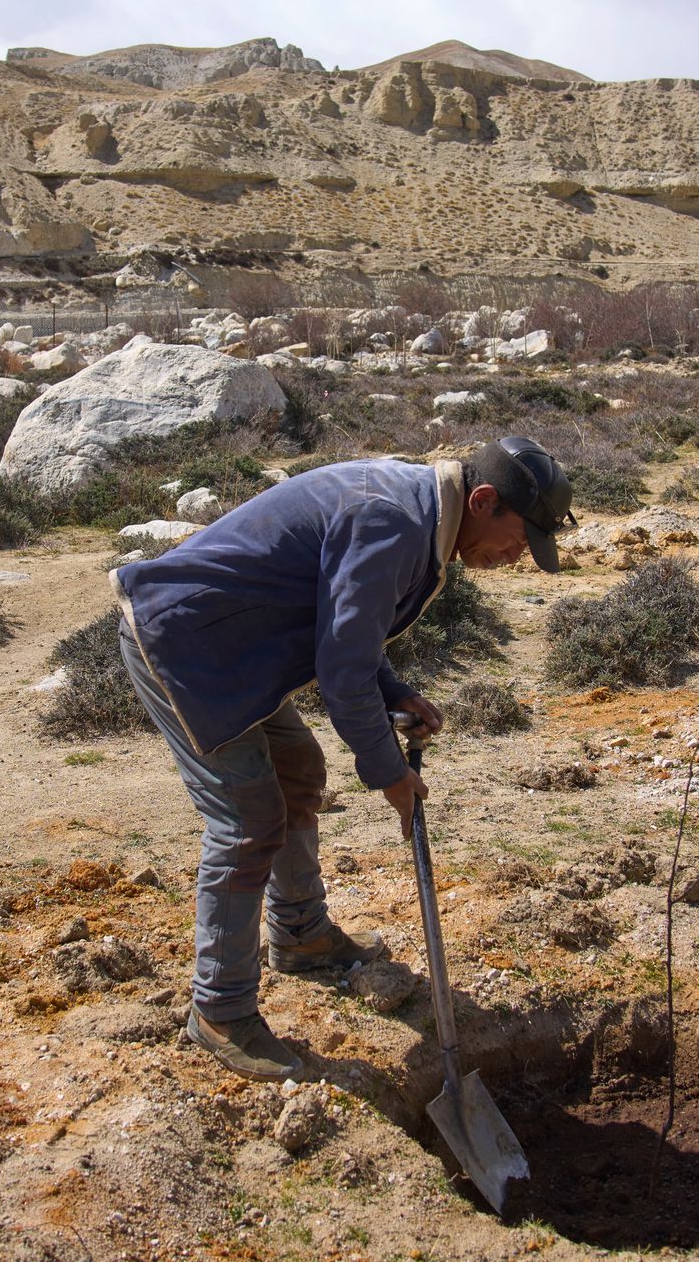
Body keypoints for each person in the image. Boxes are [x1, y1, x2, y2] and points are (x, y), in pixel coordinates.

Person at [111, 436, 576, 1080]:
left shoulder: (419, 513)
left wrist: (396, 692)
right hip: (188, 645)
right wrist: (389, 773)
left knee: (298, 770)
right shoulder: (394, 519)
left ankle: (300, 935)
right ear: (484, 500)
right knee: (247, 820)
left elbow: (347, 631)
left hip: (239, 645)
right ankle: (221, 1009)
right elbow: (341, 673)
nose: (517, 556)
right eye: (520, 540)